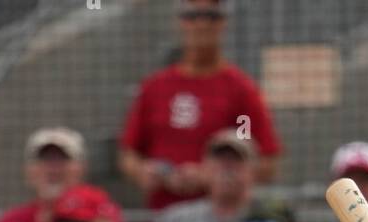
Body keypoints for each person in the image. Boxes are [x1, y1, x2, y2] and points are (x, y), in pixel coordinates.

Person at [119, 0, 281, 211]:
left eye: (212, 16)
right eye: (192, 16)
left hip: (218, 219)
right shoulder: (155, 87)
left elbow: (268, 163)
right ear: (180, 22)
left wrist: (211, 175)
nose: (202, 24)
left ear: (223, 23)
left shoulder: (241, 89)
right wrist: (144, 172)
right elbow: (128, 154)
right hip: (162, 215)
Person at [153, 128, 257, 222]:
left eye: (236, 160)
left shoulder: (265, 221)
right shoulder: (175, 220)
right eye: (220, 160)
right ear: (205, 167)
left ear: (252, 170)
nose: (227, 168)